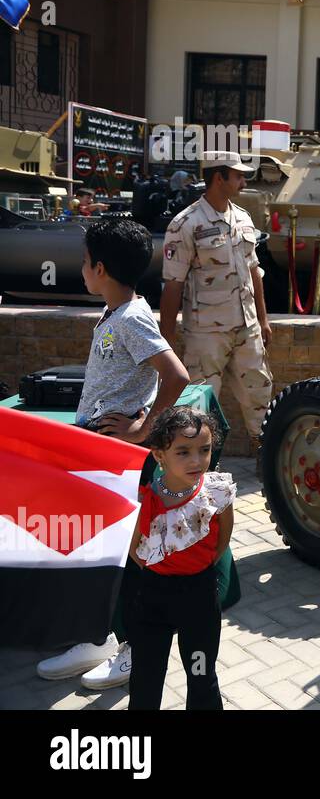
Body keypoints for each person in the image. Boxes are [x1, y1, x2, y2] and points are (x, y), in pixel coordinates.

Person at [35, 218, 189, 689]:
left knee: (129, 556)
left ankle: (135, 649)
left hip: (119, 457)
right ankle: (97, 635)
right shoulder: (114, 311)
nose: (81, 270)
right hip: (96, 450)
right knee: (97, 550)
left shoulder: (133, 317)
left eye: (84, 263)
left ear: (100, 268)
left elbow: (177, 376)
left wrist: (142, 429)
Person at [159, 150, 273, 453]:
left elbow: (254, 272)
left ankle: (266, 461)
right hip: (207, 333)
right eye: (237, 175)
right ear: (218, 177)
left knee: (260, 397)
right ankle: (203, 472)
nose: (243, 179)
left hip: (246, 328)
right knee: (200, 405)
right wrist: (165, 342)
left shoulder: (243, 218)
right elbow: (173, 285)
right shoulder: (185, 224)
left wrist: (263, 319)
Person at [127, 407, 233, 709]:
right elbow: (135, 549)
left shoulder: (217, 492)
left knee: (201, 672)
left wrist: (199, 568)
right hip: (152, 597)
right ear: (159, 455)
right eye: (183, 452)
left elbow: (223, 536)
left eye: (205, 450)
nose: (197, 461)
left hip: (199, 597)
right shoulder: (146, 498)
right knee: (147, 674)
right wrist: (159, 570)